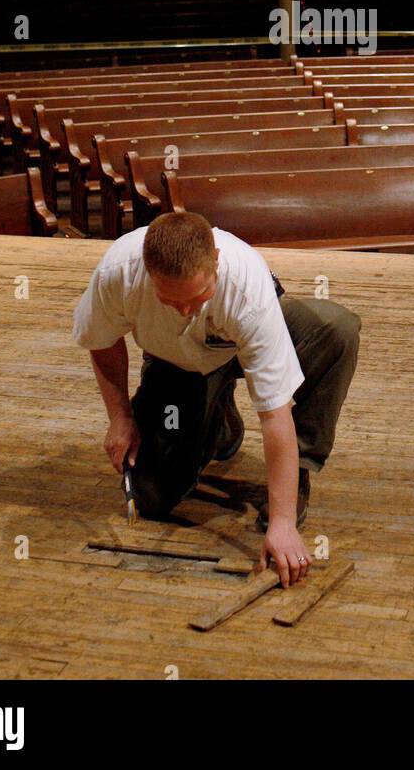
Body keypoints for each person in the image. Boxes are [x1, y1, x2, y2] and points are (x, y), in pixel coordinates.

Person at [73, 211, 360, 586]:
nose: (186, 311)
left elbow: (275, 414)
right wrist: (120, 417)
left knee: (335, 331)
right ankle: (219, 423)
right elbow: (101, 339)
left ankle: (298, 468)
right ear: (147, 272)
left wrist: (283, 524)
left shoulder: (248, 289)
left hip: (235, 347)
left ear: (217, 264)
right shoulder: (118, 273)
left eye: (197, 296)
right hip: (175, 364)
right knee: (151, 497)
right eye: (170, 301)